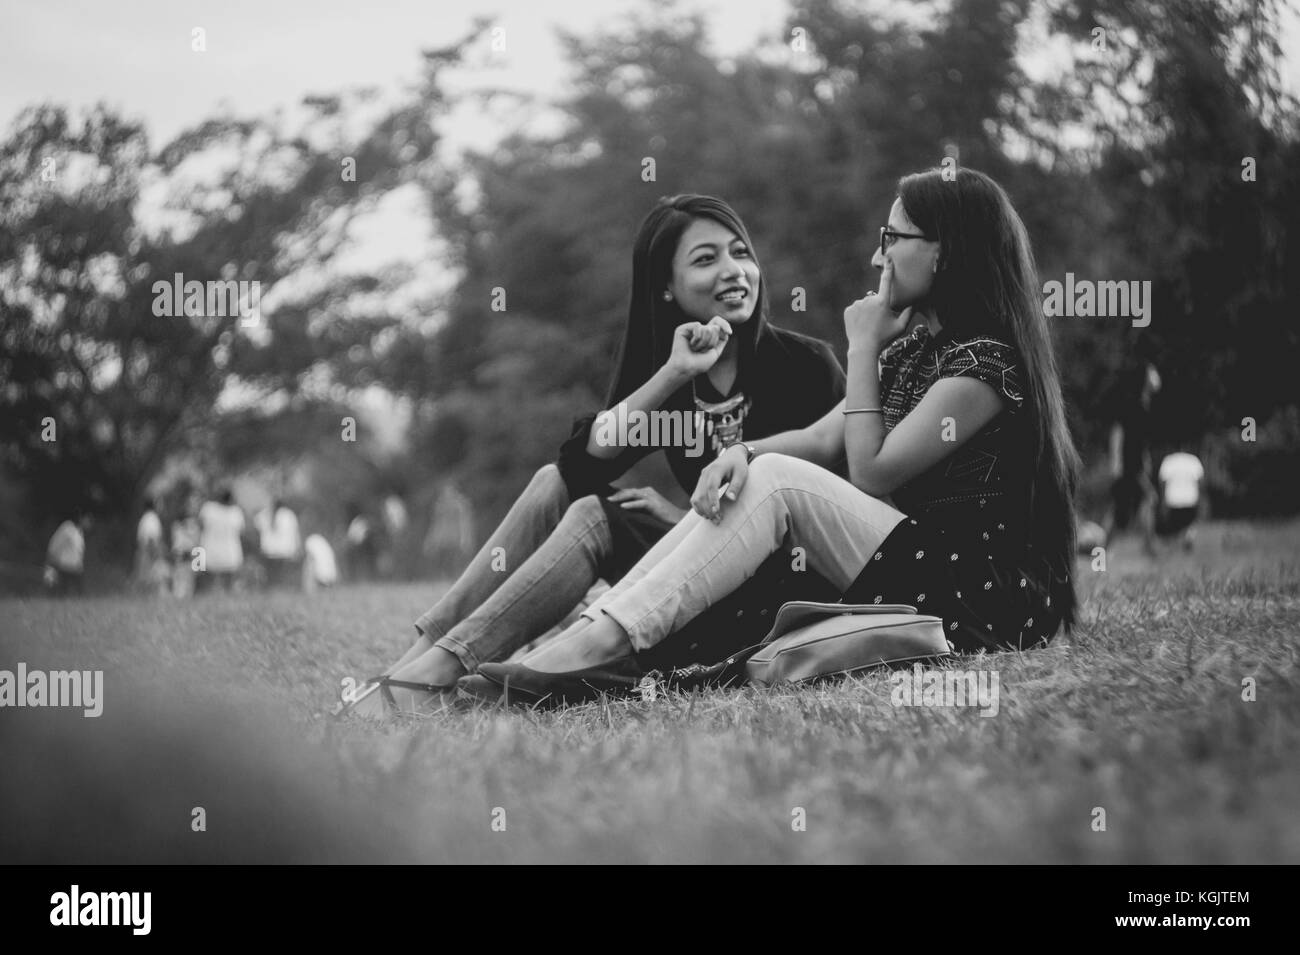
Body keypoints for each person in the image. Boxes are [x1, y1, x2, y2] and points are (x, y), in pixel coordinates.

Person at [464, 167, 1081, 705]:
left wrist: (864, 344)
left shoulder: (983, 366)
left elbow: (871, 471)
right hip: (919, 569)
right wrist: (740, 450)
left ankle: (594, 644)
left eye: (893, 238)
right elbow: (818, 440)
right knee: (763, 476)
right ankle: (583, 644)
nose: (879, 257)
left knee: (776, 483)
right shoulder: (918, 351)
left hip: (982, 598)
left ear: (946, 252)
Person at [342, 194, 846, 716]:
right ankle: (418, 660)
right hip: (686, 569)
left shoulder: (807, 366)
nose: (733, 271)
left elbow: (824, 510)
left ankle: (437, 672)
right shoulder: (677, 375)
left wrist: (680, 524)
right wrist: (674, 373)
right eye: (706, 259)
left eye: (740, 253)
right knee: (553, 484)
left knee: (592, 516)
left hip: (769, 595)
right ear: (666, 289)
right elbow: (581, 466)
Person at [1103, 360, 1161, 554]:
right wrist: (1116, 463)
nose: (1157, 377)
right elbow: (1117, 432)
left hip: (1136, 465)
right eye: (1153, 373)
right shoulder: (1132, 402)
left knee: (1132, 505)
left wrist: (1145, 461)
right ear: (1145, 377)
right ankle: (1148, 547)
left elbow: (1141, 441)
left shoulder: (1146, 404)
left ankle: (1147, 546)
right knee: (1141, 501)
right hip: (1127, 465)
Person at [197, 488, 245, 593]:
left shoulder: (208, 509)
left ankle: (209, 595)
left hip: (209, 550)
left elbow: (200, 526)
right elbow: (242, 532)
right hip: (231, 552)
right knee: (229, 582)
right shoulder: (236, 512)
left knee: (207, 582)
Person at [1156, 450, 1204, 550]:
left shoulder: (1168, 460)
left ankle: (1175, 542)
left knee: (1175, 523)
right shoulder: (1193, 460)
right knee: (1190, 522)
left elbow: (1162, 482)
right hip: (1190, 499)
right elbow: (1200, 481)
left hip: (1173, 499)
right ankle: (1187, 537)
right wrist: (1201, 498)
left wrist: (1162, 500)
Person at [257, 499, 302, 589]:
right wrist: (298, 548)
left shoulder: (265, 514)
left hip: (269, 552)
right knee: (282, 577)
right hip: (285, 552)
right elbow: (296, 533)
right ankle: (280, 590)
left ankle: (272, 590)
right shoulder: (289, 515)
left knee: (271, 576)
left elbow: (256, 525)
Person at [44, 512, 89, 596]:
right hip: (65, 565)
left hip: (76, 567)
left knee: (79, 590)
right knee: (63, 589)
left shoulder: (79, 532)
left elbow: (78, 551)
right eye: (87, 520)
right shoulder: (67, 528)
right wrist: (52, 557)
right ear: (81, 518)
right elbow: (55, 543)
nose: (89, 523)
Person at [135, 498, 168, 596]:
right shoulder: (152, 518)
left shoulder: (145, 518)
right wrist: (157, 556)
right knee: (150, 582)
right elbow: (151, 540)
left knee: (144, 581)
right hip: (149, 555)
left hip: (144, 553)